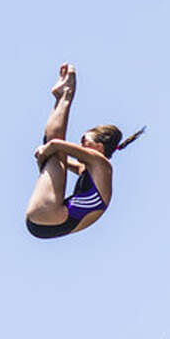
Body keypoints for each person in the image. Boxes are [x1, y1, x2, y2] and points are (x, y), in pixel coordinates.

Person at [25, 65, 143, 239]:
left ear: (99, 147)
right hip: (47, 222)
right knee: (54, 156)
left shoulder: (101, 163)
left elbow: (57, 144)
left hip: (48, 216)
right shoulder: (91, 171)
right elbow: (59, 155)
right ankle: (61, 97)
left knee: (54, 149)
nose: (80, 146)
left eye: (84, 141)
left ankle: (67, 94)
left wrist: (45, 152)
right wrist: (44, 157)